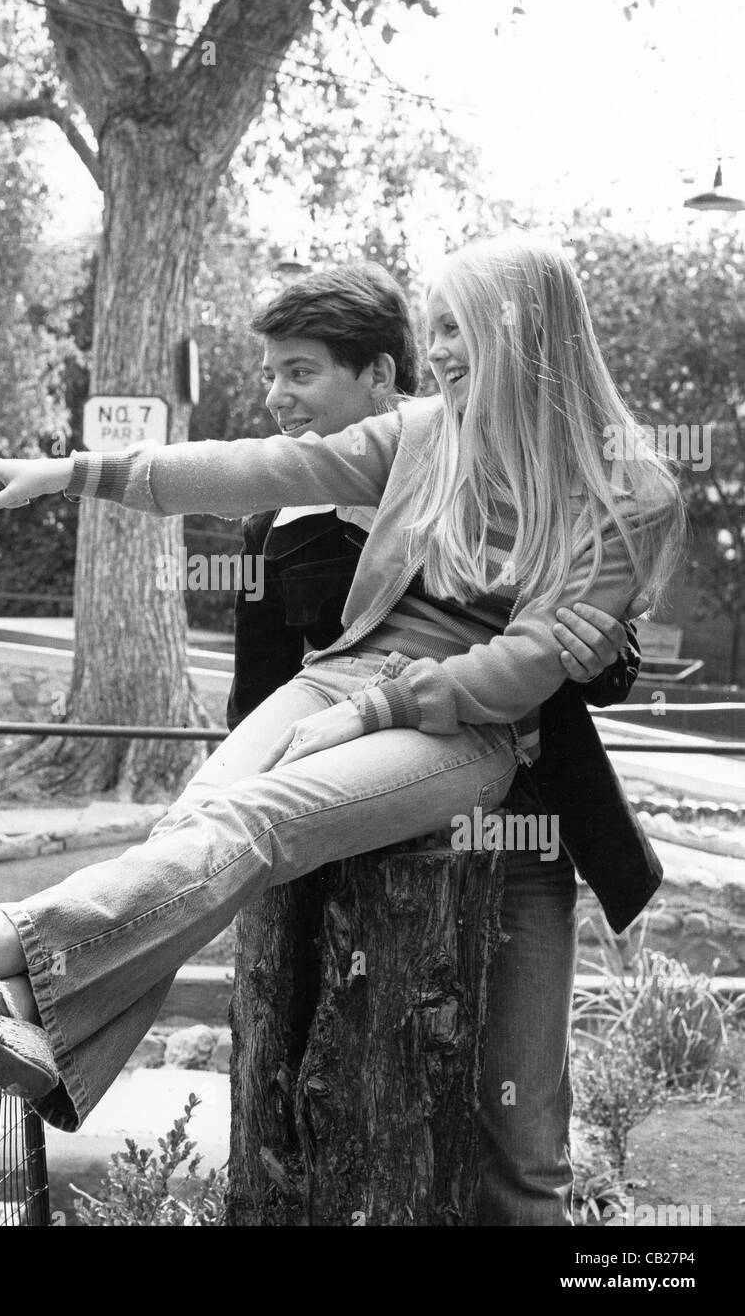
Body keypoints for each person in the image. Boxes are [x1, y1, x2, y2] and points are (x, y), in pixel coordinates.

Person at [0, 237, 684, 1200]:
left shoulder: (626, 490)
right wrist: (79, 473)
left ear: (526, 333)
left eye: (459, 327)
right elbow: (257, 467)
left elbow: (532, 662)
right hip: (343, 678)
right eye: (435, 330)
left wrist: (378, 708)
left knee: (258, 828)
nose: (443, 351)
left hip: (466, 732)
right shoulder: (427, 433)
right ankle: (27, 1018)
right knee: (203, 806)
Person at [226, 262, 647, 1226]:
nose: (278, 398)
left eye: (301, 373)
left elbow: (585, 657)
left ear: (383, 378)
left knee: (522, 1138)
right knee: (332, 1110)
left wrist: (597, 652)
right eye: (270, 376)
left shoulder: (498, 476)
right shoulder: (276, 531)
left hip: (521, 833)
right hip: (362, 851)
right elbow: (263, 699)